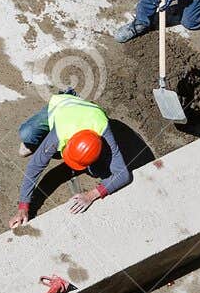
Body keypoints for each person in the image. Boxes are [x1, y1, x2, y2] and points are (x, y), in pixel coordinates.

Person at [8, 92, 132, 227]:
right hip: (61, 104)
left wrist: (91, 195)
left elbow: (123, 175)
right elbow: (35, 165)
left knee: (99, 170)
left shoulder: (102, 127)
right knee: (26, 137)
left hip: (89, 112)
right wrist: (23, 207)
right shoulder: (61, 132)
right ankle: (68, 93)